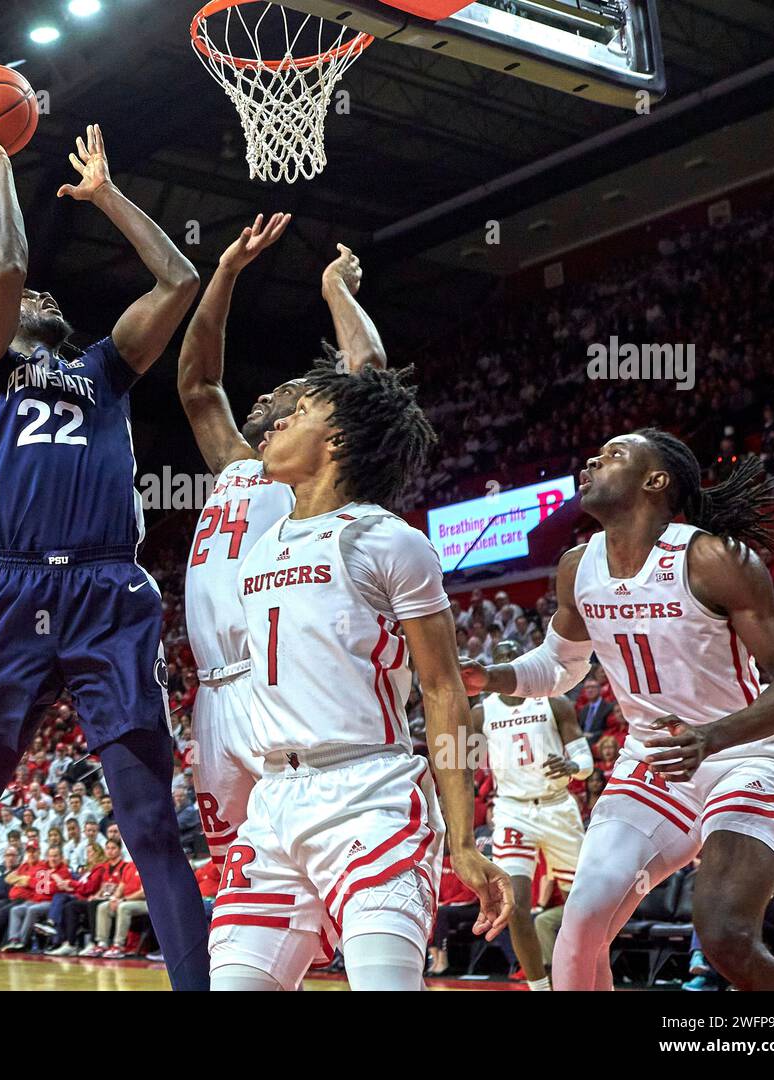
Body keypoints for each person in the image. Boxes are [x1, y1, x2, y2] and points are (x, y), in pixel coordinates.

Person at [0, 115, 207, 992]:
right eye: (22, 305)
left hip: (110, 590)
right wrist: (2, 164)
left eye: (49, 298)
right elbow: (6, 269)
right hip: (14, 594)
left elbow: (180, 277)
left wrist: (107, 194)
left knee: (149, 819)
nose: (36, 296)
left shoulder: (103, 370)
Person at [462, 430, 774, 991]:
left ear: (656, 482)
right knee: (580, 926)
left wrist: (710, 738)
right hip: (653, 763)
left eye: (614, 456)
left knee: (725, 935)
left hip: (748, 756)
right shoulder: (578, 567)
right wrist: (490, 676)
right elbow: (560, 666)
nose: (593, 461)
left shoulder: (712, 559)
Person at [208, 364, 512, 991]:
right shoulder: (260, 544)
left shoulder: (388, 541)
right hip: (273, 803)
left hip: (368, 796)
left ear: (338, 439)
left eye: (300, 412)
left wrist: (463, 837)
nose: (279, 419)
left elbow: (443, 690)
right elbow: (197, 392)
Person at [177, 212, 386, 887]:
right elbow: (198, 385)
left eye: (292, 398)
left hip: (274, 682)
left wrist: (335, 290)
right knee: (235, 877)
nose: (271, 396)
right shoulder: (239, 465)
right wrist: (227, 271)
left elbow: (369, 378)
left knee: (300, 864)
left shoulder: (313, 476)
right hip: (213, 693)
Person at [470, 638, 589, 991]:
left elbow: (584, 763)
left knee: (583, 903)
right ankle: (539, 987)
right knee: (516, 902)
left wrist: (571, 766)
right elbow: (462, 764)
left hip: (557, 806)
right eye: (501, 659)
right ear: (492, 667)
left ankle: (581, 974)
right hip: (512, 810)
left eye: (514, 658)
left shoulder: (554, 700)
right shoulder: (481, 713)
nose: (508, 664)